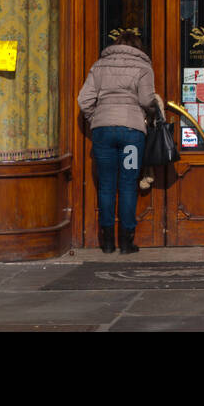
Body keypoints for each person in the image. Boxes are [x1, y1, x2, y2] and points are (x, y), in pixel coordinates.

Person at [76, 31, 162, 253]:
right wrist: (152, 113)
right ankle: (126, 242)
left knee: (106, 185)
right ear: (138, 47)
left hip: (103, 132)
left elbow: (84, 100)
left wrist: (95, 118)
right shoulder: (143, 67)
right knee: (128, 184)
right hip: (132, 132)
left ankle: (106, 243)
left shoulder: (99, 66)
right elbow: (145, 100)